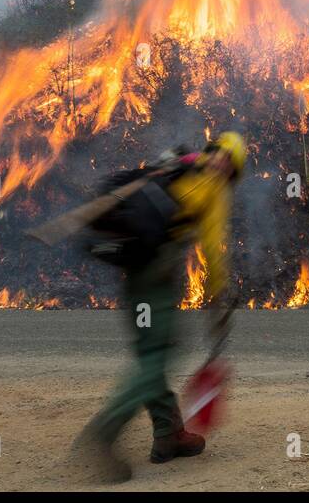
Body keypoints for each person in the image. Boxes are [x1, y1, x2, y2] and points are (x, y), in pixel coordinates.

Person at [75, 131, 246, 482]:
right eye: (224, 158)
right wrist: (217, 300)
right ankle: (105, 431)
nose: (220, 164)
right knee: (158, 355)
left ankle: (168, 433)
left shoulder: (176, 163)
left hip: (132, 268)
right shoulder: (216, 188)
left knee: (148, 353)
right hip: (156, 270)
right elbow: (213, 250)